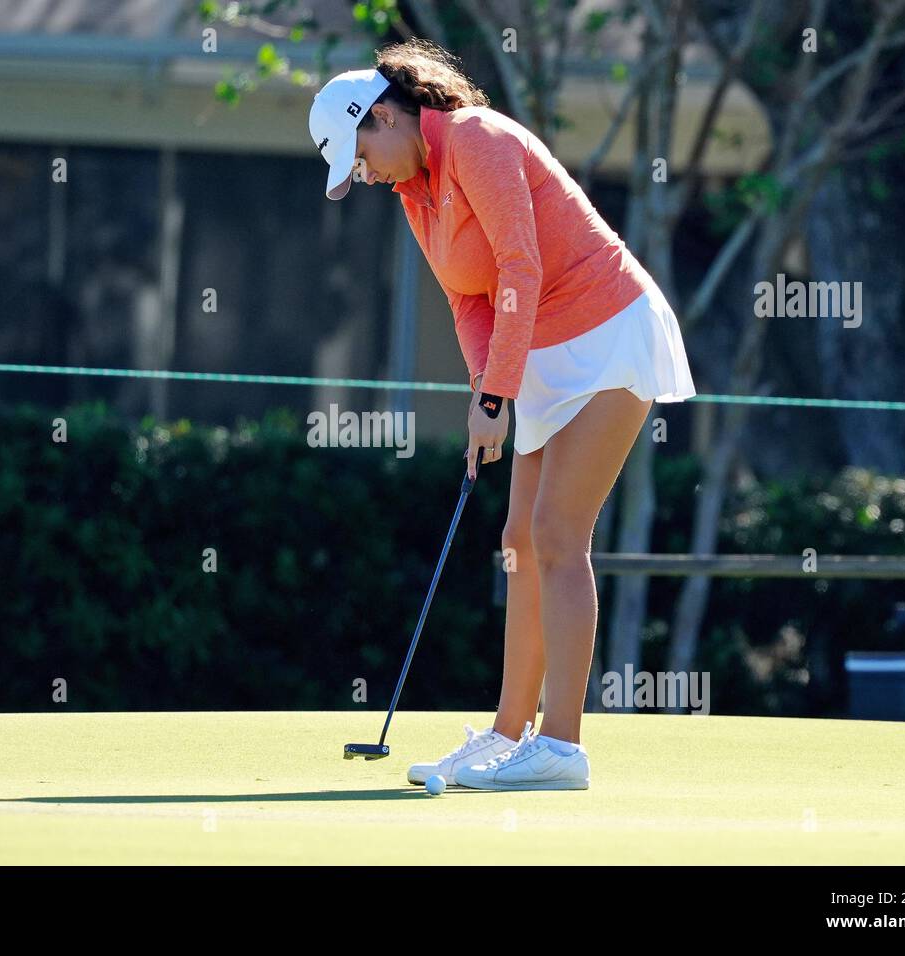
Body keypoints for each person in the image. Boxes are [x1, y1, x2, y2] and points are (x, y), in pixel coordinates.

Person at [309, 39, 695, 790]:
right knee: (519, 538)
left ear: (384, 116)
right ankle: (505, 734)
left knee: (557, 535)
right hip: (544, 348)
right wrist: (485, 389)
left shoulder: (478, 140)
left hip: (610, 329)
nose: (365, 175)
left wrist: (496, 398)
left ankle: (562, 748)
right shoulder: (414, 193)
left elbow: (522, 265)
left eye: (361, 156)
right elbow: (468, 299)